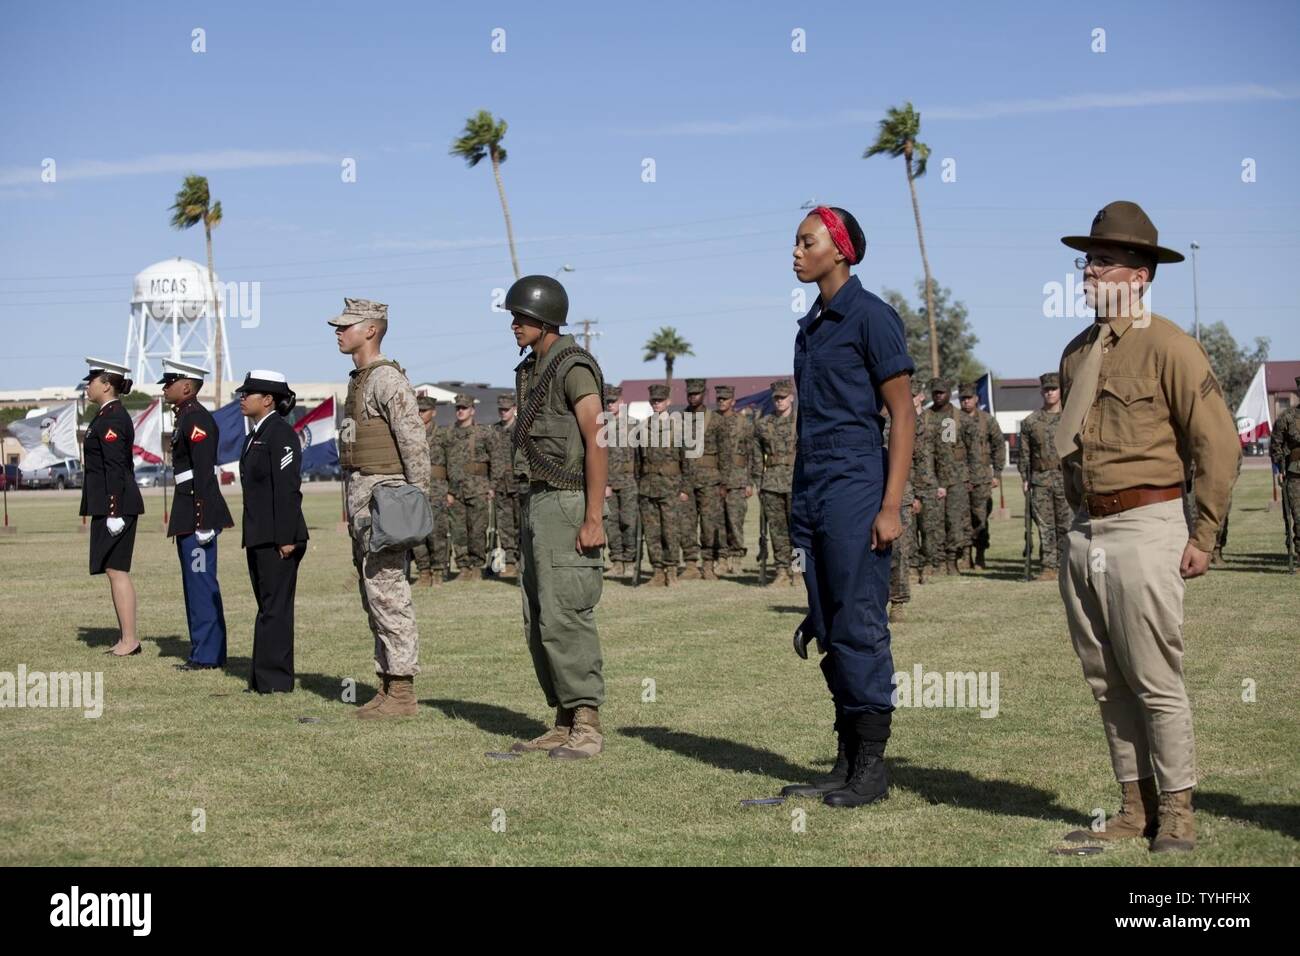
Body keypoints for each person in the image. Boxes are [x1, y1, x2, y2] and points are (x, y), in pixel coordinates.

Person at [1055, 200, 1240, 852]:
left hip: (1147, 523)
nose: (1086, 272)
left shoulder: (1171, 347)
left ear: (1137, 274)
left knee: (1156, 681)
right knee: (1107, 683)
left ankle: (1179, 815)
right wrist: (1074, 529)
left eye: (1100, 261)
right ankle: (1135, 809)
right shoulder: (1077, 353)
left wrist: (1204, 533)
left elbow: (1219, 443)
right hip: (1087, 533)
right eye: (1087, 260)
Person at [780, 206, 915, 808]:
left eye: (806, 242)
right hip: (812, 486)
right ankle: (844, 759)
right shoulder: (811, 325)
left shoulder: (872, 318)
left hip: (856, 483)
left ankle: (872, 769)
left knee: (860, 624)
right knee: (828, 624)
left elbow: (904, 415)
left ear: (839, 250)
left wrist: (890, 505)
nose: (795, 253)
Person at [504, 275, 609, 759]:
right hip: (536, 502)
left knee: (566, 612)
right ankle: (563, 719)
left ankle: (586, 723)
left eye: (521, 317)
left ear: (545, 320)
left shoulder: (574, 367)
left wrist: (593, 517)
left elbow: (597, 440)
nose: (514, 325)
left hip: (567, 504)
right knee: (538, 616)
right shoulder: (533, 368)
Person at [332, 297, 432, 719]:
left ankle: (403, 693)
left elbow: (414, 442)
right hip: (364, 502)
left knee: (390, 594)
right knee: (374, 595)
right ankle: (388, 684)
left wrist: (415, 502)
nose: (338, 332)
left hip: (386, 501)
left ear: (371, 329)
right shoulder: (360, 380)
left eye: (346, 325)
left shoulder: (387, 379)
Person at [236, 370, 309, 693]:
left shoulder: (280, 434)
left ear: (267, 400)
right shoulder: (256, 434)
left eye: (248, 393)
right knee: (267, 608)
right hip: (259, 534)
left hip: (278, 537)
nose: (242, 398)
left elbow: (288, 488)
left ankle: (275, 681)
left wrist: (286, 537)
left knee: (275, 609)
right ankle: (263, 678)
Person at [159, 359, 233, 671]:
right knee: (194, 583)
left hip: (196, 513)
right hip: (188, 509)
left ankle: (207, 654)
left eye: (170, 381)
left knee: (201, 583)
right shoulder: (186, 417)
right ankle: (202, 649)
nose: (165, 387)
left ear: (187, 386)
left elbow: (204, 473)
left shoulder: (196, 420)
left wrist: (202, 520)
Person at [80, 358, 145, 657]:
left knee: (117, 570)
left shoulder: (113, 418)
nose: (87, 385)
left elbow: (115, 467)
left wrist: (114, 510)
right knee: (112, 570)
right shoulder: (104, 415)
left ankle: (130, 640)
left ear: (106, 384)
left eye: (91, 380)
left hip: (116, 505)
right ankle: (126, 638)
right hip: (109, 504)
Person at [446, 394, 506, 581]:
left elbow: (497, 458)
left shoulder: (484, 433)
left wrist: (493, 485)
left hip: (478, 489)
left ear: (472, 410)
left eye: (464, 408)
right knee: (458, 531)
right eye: (458, 408)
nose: (460, 411)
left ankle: (477, 567)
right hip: (456, 491)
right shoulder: (449, 433)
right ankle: (463, 567)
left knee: (478, 531)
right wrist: (447, 489)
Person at [1017, 373, 1070, 581]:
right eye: (1046, 389)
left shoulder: (1070, 418)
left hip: (1064, 477)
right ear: (1041, 391)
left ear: (1060, 391)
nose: (1050, 392)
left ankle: (1065, 564)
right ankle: (1049, 566)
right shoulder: (1031, 422)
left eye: (1053, 389)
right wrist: (1024, 478)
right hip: (1040, 479)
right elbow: (1024, 453)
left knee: (1066, 524)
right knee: (1045, 525)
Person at [919, 378, 974, 575]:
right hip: (931, 479)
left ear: (949, 393)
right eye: (936, 393)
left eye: (942, 392)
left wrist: (972, 478)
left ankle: (952, 560)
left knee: (955, 522)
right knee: (933, 523)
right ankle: (936, 561)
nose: (939, 396)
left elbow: (973, 450)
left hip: (956, 479)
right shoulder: (925, 417)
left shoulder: (960, 418)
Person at [638, 384, 690, 587]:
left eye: (660, 400)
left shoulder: (679, 427)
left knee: (671, 530)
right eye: (654, 400)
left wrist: (685, 487)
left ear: (668, 401)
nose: (657, 403)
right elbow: (637, 462)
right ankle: (657, 571)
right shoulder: (642, 428)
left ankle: (672, 570)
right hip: (648, 486)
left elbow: (687, 460)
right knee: (652, 531)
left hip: (671, 486)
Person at [751, 379, 797, 587]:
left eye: (783, 397)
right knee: (777, 531)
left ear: (791, 398)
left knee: (799, 531)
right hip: (771, 484)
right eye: (776, 398)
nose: (779, 401)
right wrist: (757, 482)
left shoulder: (802, 422)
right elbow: (757, 456)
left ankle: (798, 571)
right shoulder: (763, 424)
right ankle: (781, 571)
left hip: (797, 482)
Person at [678, 378, 724, 580]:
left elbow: (726, 453)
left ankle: (708, 564)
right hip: (686, 481)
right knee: (686, 524)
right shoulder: (680, 419)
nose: (692, 397)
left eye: (696, 394)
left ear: (703, 394)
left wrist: (725, 482)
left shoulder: (714, 420)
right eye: (690, 394)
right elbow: (676, 452)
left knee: (708, 524)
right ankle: (690, 564)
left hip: (710, 480)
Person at [959, 382, 1005, 570]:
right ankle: (964, 555)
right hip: (959, 478)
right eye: (963, 398)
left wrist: (998, 473)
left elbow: (999, 446)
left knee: (980, 518)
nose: (966, 401)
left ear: (977, 399)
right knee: (961, 518)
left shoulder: (987, 420)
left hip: (982, 479)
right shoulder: (953, 421)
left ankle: (980, 554)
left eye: (969, 397)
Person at [411, 395, 450, 586]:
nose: (420, 414)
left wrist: (452, 491)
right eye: (418, 410)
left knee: (437, 532)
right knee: (417, 533)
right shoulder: (410, 434)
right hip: (415, 490)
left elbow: (453, 464)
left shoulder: (443, 435)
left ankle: (438, 571)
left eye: (424, 410)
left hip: (437, 489)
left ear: (433, 412)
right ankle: (423, 572)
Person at [716, 384, 754, 574]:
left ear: (733, 401)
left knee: (735, 521)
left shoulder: (744, 423)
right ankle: (722, 558)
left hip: (737, 480)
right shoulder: (712, 420)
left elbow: (752, 453)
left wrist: (750, 482)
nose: (721, 402)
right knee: (719, 522)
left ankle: (737, 558)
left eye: (725, 399)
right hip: (715, 480)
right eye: (719, 399)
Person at [602, 384, 639, 577]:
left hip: (629, 481)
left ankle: (630, 560)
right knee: (611, 523)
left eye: (613, 402)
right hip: (608, 484)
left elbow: (641, 455)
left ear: (622, 402)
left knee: (629, 521)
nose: (610, 405)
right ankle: (616, 561)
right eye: (607, 402)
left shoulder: (634, 425)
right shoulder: (600, 426)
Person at [491, 392, 522, 576]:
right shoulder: (493, 431)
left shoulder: (521, 429)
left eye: (506, 409)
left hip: (518, 485)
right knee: (505, 526)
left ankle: (522, 561)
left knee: (521, 525)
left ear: (514, 409)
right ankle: (510, 561)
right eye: (500, 409)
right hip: (500, 486)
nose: (503, 413)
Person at [1270, 376, 1300, 562]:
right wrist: (1279, 467)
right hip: (1295, 474)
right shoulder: (1287, 417)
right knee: (1298, 517)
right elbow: (1276, 445)